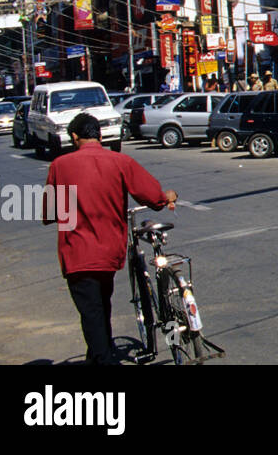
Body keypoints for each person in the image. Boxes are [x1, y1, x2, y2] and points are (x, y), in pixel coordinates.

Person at [42, 112, 177, 365]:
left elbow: (51, 213)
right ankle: (98, 355)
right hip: (109, 252)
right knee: (101, 305)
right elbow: (153, 196)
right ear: (100, 135)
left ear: (74, 137)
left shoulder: (60, 165)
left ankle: (103, 360)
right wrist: (166, 196)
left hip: (78, 253)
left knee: (92, 310)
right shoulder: (120, 161)